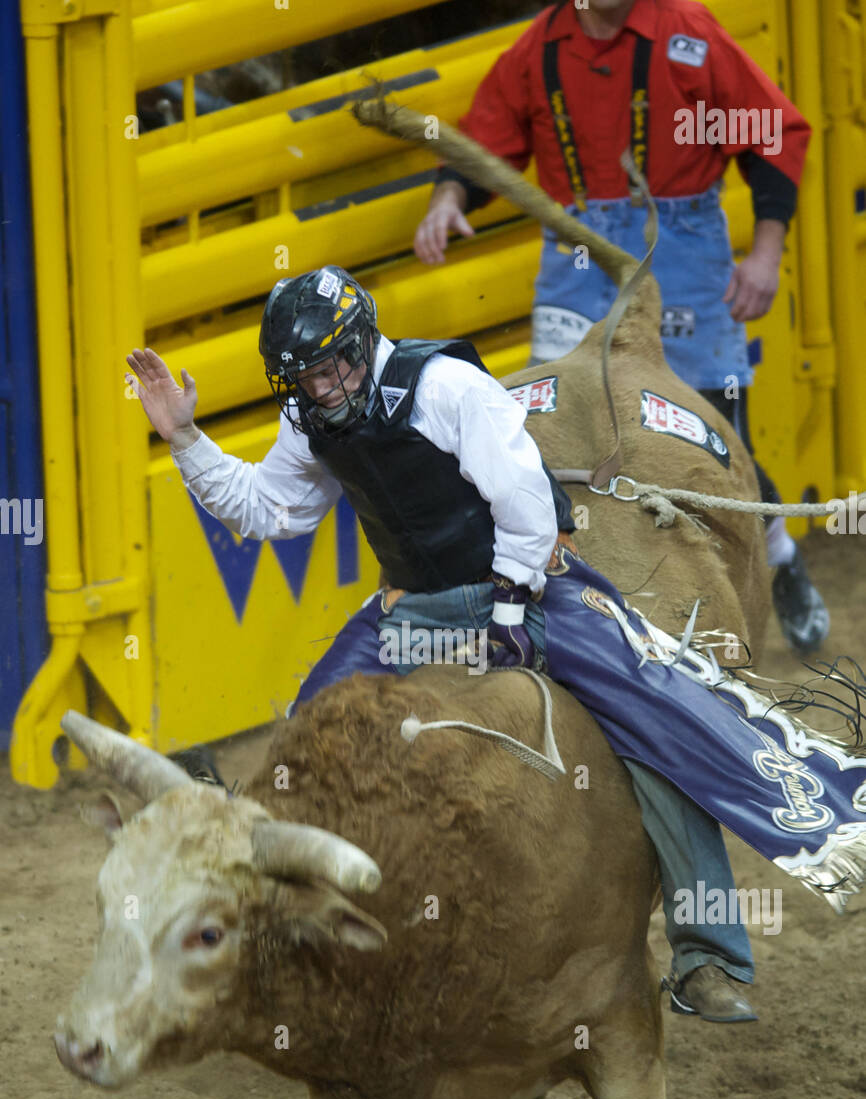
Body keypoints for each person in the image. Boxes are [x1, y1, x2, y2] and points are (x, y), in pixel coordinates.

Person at [126, 268, 866, 1024]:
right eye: (302, 379)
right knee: (303, 743)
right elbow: (270, 508)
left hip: (526, 586)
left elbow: (523, 502)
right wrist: (184, 436)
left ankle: (709, 953)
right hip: (412, 606)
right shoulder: (314, 419)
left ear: (358, 345)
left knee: (661, 722)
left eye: (326, 369)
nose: (318, 390)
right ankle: (260, 928)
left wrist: (512, 601)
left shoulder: (447, 387)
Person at [413, 0, 829, 655]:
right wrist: (448, 197)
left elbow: (772, 131)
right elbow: (485, 139)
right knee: (545, 434)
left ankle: (778, 560)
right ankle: (562, 604)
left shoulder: (688, 33)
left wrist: (768, 253)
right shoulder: (538, 50)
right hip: (574, 255)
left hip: (681, 250)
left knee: (713, 434)